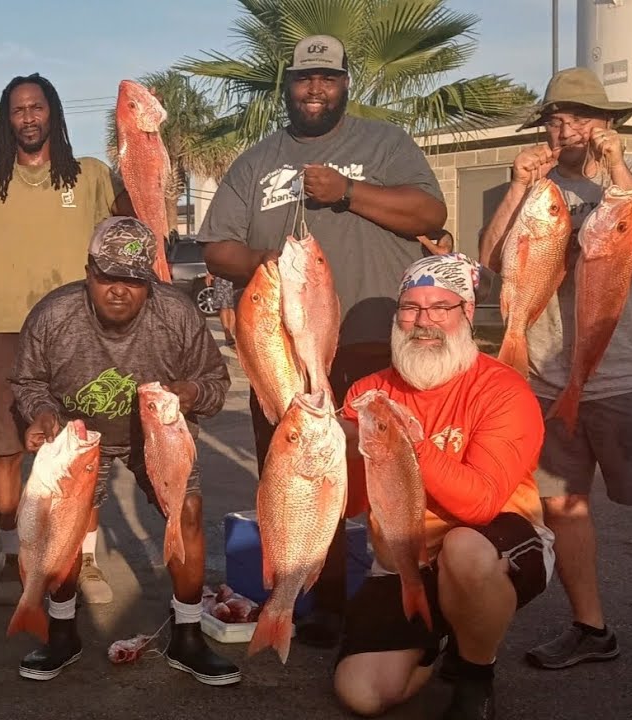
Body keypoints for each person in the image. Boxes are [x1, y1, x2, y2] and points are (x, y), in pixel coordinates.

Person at [198, 35, 446, 646]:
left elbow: (429, 216)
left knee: (391, 476)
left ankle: (411, 594)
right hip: (280, 357)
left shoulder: (384, 143)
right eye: (304, 80)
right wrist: (268, 262)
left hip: (369, 341)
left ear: (345, 84)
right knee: (297, 481)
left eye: (327, 78)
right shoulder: (255, 161)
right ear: (287, 87)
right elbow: (216, 246)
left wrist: (349, 193)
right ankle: (317, 600)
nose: (315, 89)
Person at [477, 67, 632, 670]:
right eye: (557, 117)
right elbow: (492, 261)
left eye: (580, 115)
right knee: (563, 503)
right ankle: (590, 627)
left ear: (606, 123)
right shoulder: (539, 185)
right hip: (553, 377)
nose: (567, 127)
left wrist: (620, 170)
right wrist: (515, 187)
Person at [9, 217, 238, 685]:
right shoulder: (54, 314)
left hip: (157, 435)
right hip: (79, 432)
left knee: (188, 512)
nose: (119, 290)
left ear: (149, 281)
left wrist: (190, 393)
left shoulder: (177, 314)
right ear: (88, 270)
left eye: (133, 280)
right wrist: (43, 414)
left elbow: (217, 383)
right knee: (64, 522)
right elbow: (28, 382)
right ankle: (62, 628)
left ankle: (188, 634)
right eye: (108, 276)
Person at [332, 254, 553, 720]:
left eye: (440, 308)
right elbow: (350, 505)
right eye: (410, 308)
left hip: (494, 543)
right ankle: (439, 638)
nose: (423, 321)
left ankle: (476, 675)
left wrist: (410, 445)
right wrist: (342, 454)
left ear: (467, 314)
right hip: (403, 558)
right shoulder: (367, 391)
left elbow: (481, 504)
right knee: (363, 695)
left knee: (465, 551)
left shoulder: (503, 388)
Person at [0, 73, 132, 606]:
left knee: (81, 447)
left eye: (36, 108)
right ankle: (15, 557)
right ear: (7, 121)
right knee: (6, 447)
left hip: (80, 331)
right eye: (17, 111)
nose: (28, 118)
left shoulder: (93, 175)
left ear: (52, 112)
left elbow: (135, 226)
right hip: (8, 331)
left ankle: (87, 559)